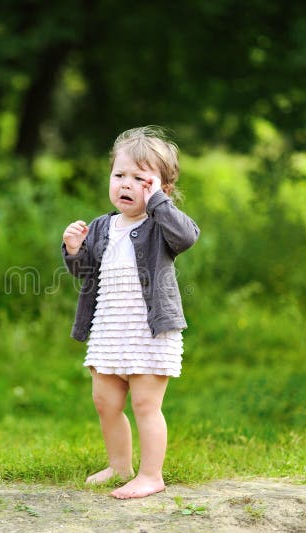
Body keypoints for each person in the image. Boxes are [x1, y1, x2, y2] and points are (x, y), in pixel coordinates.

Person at [62, 125, 200, 499]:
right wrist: (75, 250)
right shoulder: (104, 226)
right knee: (105, 402)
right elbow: (86, 272)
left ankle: (151, 475)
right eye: (119, 175)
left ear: (161, 189)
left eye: (139, 178)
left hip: (150, 332)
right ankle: (119, 465)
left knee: (144, 403)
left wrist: (157, 203)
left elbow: (187, 237)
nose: (126, 184)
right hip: (111, 329)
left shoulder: (160, 224)